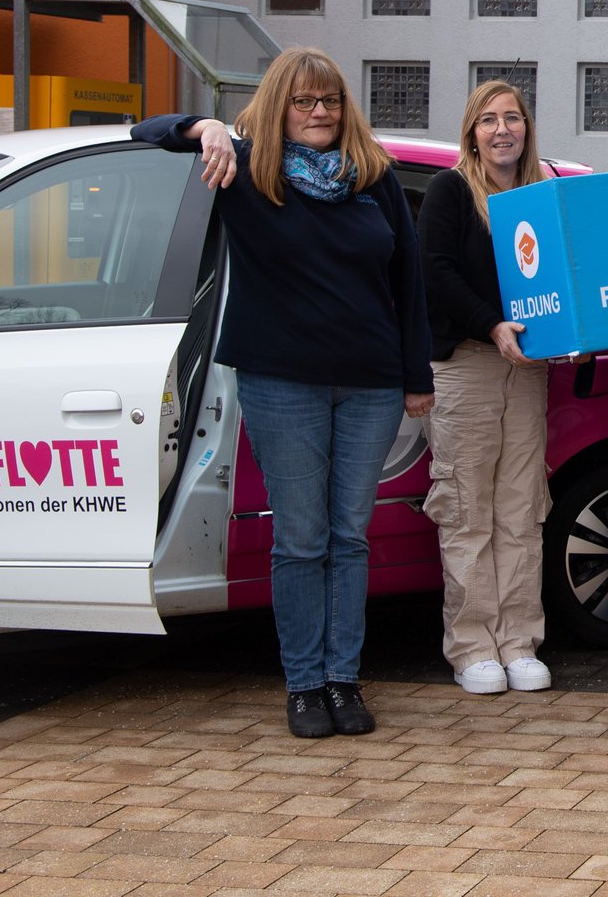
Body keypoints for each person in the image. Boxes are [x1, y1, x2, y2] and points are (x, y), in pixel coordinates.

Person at [131, 47, 433, 739]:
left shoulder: (374, 177)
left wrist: (416, 376)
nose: (319, 111)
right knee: (301, 538)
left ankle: (342, 677)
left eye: (328, 99)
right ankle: (303, 685)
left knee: (348, 536)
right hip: (281, 383)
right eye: (304, 100)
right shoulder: (246, 172)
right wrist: (201, 128)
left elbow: (408, 281)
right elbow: (140, 132)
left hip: (371, 385)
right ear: (280, 106)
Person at [418, 80, 557, 695]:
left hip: (526, 370)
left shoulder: (540, 195)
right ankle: (473, 646)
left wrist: (566, 331)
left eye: (514, 118)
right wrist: (489, 323)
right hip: (469, 365)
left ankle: (521, 642)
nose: (503, 130)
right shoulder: (452, 191)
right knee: (468, 511)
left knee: (522, 511)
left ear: (527, 126)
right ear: (471, 132)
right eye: (489, 120)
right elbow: (434, 272)